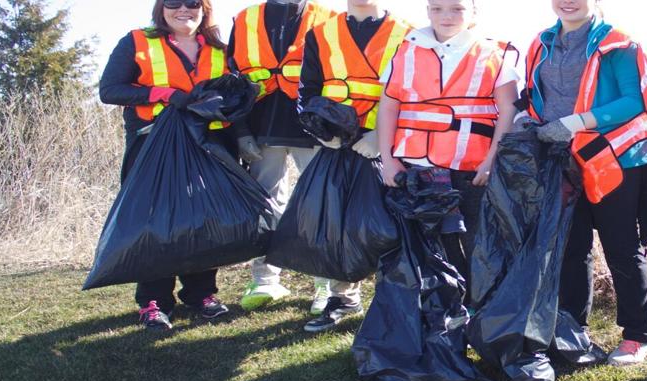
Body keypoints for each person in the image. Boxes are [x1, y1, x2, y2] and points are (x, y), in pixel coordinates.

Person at [520, 0, 647, 366]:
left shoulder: (619, 44)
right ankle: (572, 332)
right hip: (561, 161)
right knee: (572, 248)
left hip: (613, 160)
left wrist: (576, 122)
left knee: (621, 246)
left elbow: (633, 102)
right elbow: (534, 95)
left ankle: (639, 335)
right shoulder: (541, 43)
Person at [97, 0, 239, 331]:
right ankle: (154, 302)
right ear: (162, 9)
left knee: (203, 222)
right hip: (153, 149)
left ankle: (201, 294)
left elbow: (234, 96)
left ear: (204, 9)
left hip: (207, 148)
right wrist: (163, 93)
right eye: (174, 2)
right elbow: (110, 90)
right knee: (153, 224)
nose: (183, 9)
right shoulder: (137, 42)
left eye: (193, 3)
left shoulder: (221, 49)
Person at [376, 0, 519, 293]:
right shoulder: (407, 49)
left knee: (478, 242)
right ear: (428, 11)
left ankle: (480, 309)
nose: (447, 16)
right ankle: (442, 310)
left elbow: (508, 110)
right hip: (416, 167)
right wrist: (388, 159)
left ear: (474, 13)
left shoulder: (495, 52)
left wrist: (492, 159)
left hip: (472, 167)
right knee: (431, 243)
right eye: (438, 8)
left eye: (457, 8)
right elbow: (389, 106)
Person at [228, 0, 356, 313]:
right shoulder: (245, 19)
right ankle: (265, 278)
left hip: (314, 129)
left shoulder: (329, 19)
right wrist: (241, 131)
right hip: (261, 129)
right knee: (265, 204)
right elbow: (232, 79)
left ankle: (325, 285)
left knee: (321, 206)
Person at [295, 0, 415, 331]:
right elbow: (307, 90)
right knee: (340, 221)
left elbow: (419, 92)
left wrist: (383, 135)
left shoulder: (410, 34)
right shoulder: (321, 33)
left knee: (391, 223)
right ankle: (343, 297)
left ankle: (392, 298)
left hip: (388, 146)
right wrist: (322, 133)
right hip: (339, 142)